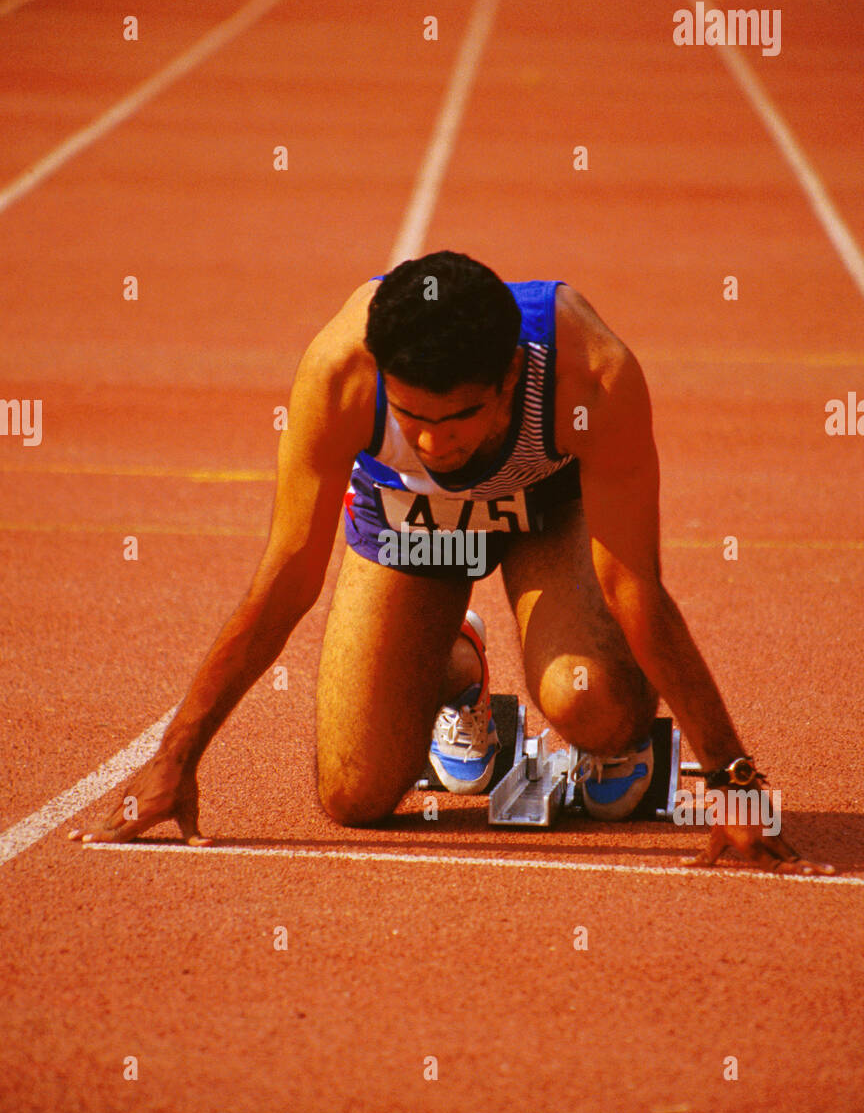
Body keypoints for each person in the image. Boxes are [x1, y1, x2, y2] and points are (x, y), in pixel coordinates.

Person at [70, 251, 831, 874]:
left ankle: (624, 738)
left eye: (460, 415)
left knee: (589, 700)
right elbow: (286, 581)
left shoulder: (589, 374)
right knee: (355, 794)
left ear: (510, 379)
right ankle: (457, 669)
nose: (434, 444)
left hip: (546, 508)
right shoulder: (340, 374)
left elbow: (634, 586)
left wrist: (734, 778)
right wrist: (177, 755)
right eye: (413, 417)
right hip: (412, 523)